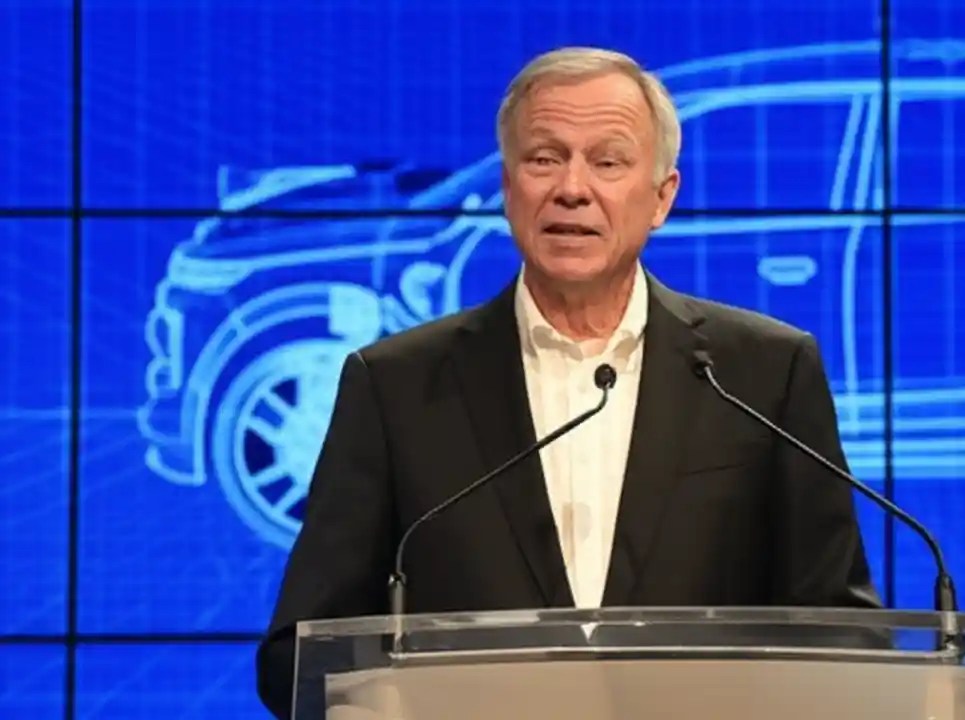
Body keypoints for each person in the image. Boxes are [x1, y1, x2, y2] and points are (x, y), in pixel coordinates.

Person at [255, 46, 882, 718]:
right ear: (508, 187)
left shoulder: (763, 373)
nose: (572, 188)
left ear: (663, 197)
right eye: (544, 159)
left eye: (608, 162)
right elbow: (300, 651)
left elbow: (840, 631)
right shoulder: (396, 387)